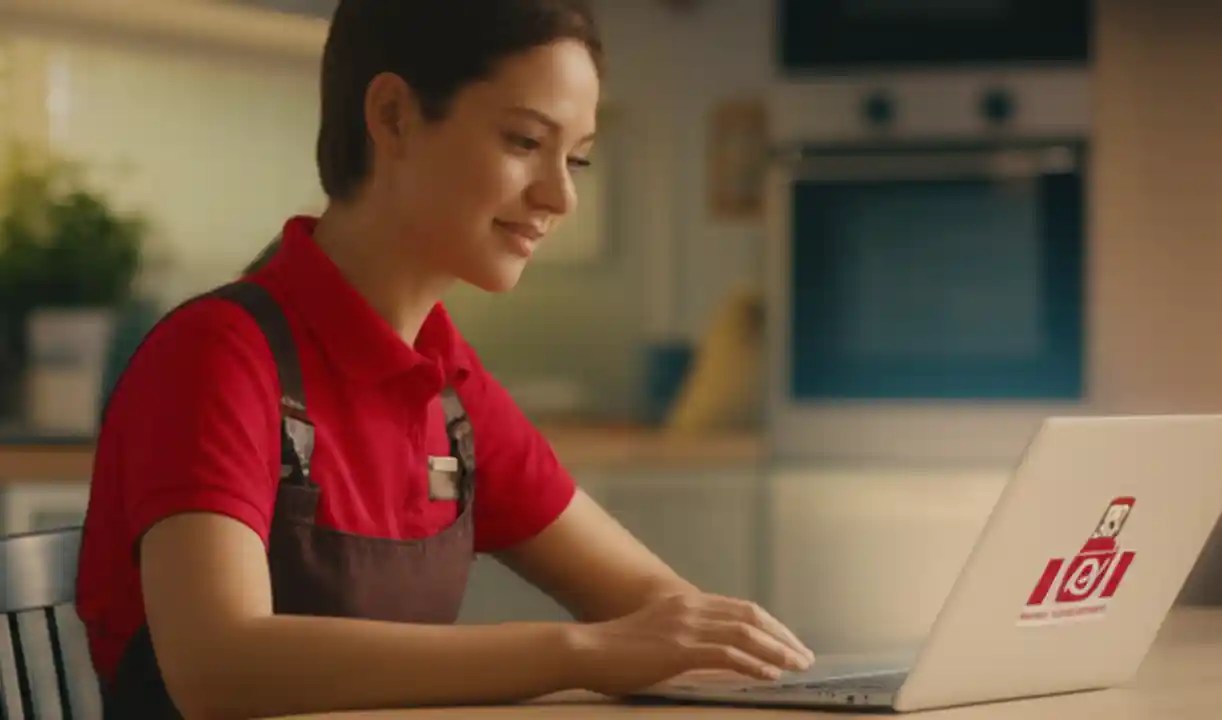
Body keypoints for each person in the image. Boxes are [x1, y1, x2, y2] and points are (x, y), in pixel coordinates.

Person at [74, 1, 814, 718]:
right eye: (526, 142)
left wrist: (778, 669)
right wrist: (578, 652)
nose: (561, 195)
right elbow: (218, 665)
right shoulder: (219, 355)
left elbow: (658, 610)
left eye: (579, 159)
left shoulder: (446, 384)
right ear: (394, 116)